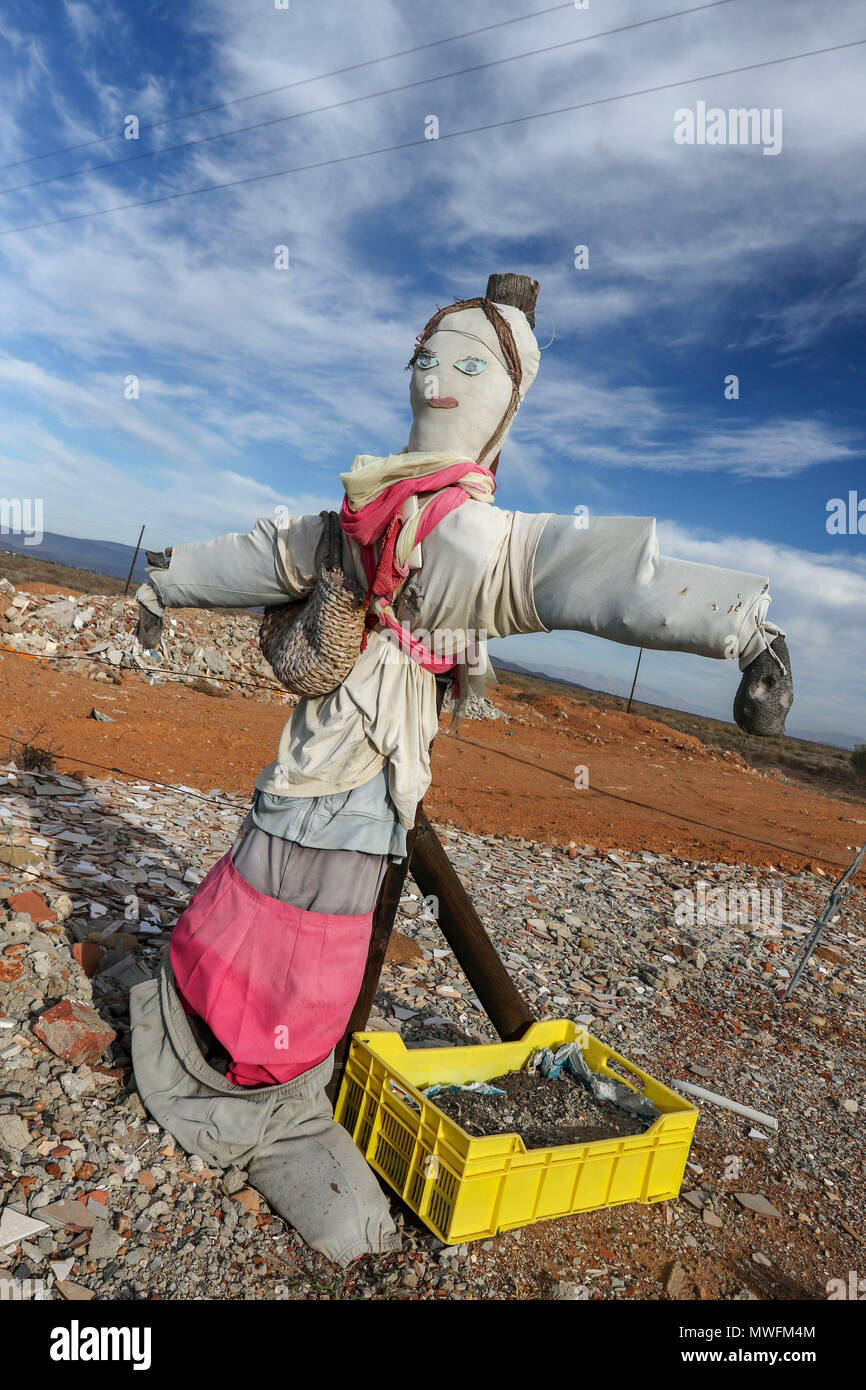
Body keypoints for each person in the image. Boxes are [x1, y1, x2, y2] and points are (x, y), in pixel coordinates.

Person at [129, 273, 792, 1266]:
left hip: (344, 770)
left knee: (289, 918)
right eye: (427, 357)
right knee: (291, 924)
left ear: (504, 392)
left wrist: (742, 628)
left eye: (468, 363)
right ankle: (257, 1091)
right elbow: (266, 555)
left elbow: (604, 578)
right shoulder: (370, 513)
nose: (437, 377)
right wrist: (171, 579)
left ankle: (244, 1061)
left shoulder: (448, 532)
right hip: (337, 775)